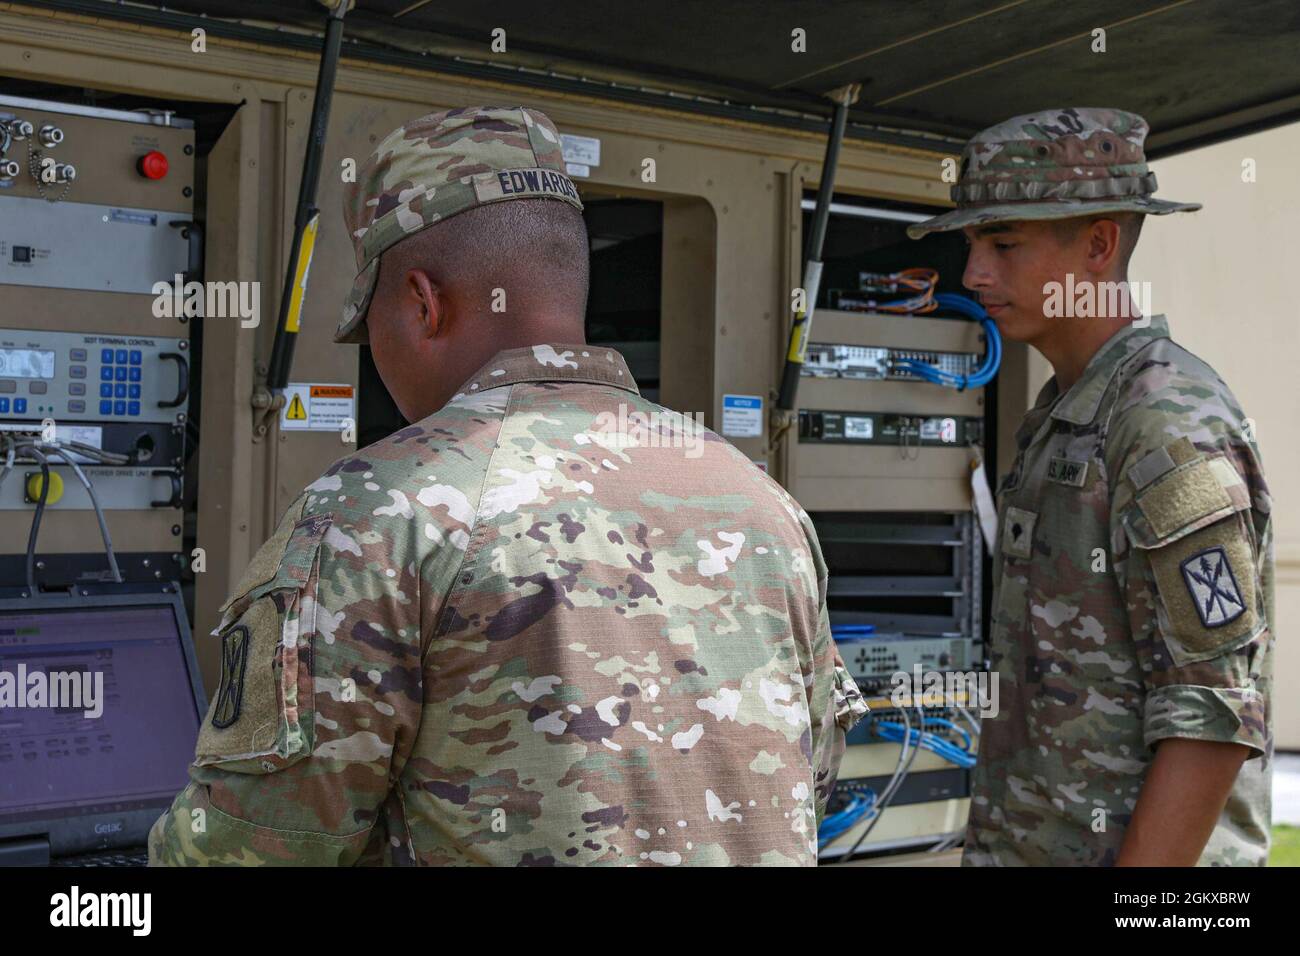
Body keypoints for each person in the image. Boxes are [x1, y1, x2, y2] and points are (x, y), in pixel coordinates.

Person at [149, 105, 866, 866]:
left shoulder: (380, 510)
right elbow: (808, 775)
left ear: (423, 303)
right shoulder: (762, 501)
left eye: (373, 327)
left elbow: (249, 846)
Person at [907, 107, 1273, 866]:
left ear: (1100, 244)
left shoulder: (1164, 423)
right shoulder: (1066, 413)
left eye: (1003, 243)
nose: (974, 273)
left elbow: (1209, 717)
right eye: (973, 243)